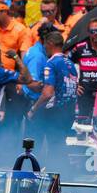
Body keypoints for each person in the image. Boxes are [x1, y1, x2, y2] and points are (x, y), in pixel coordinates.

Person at [29, 30, 76, 160]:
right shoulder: (70, 64)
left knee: (35, 143)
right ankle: (63, 174)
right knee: (59, 146)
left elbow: (48, 93)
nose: (44, 49)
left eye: (44, 45)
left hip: (54, 113)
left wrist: (34, 108)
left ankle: (37, 174)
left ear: (50, 43)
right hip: (69, 112)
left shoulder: (51, 63)